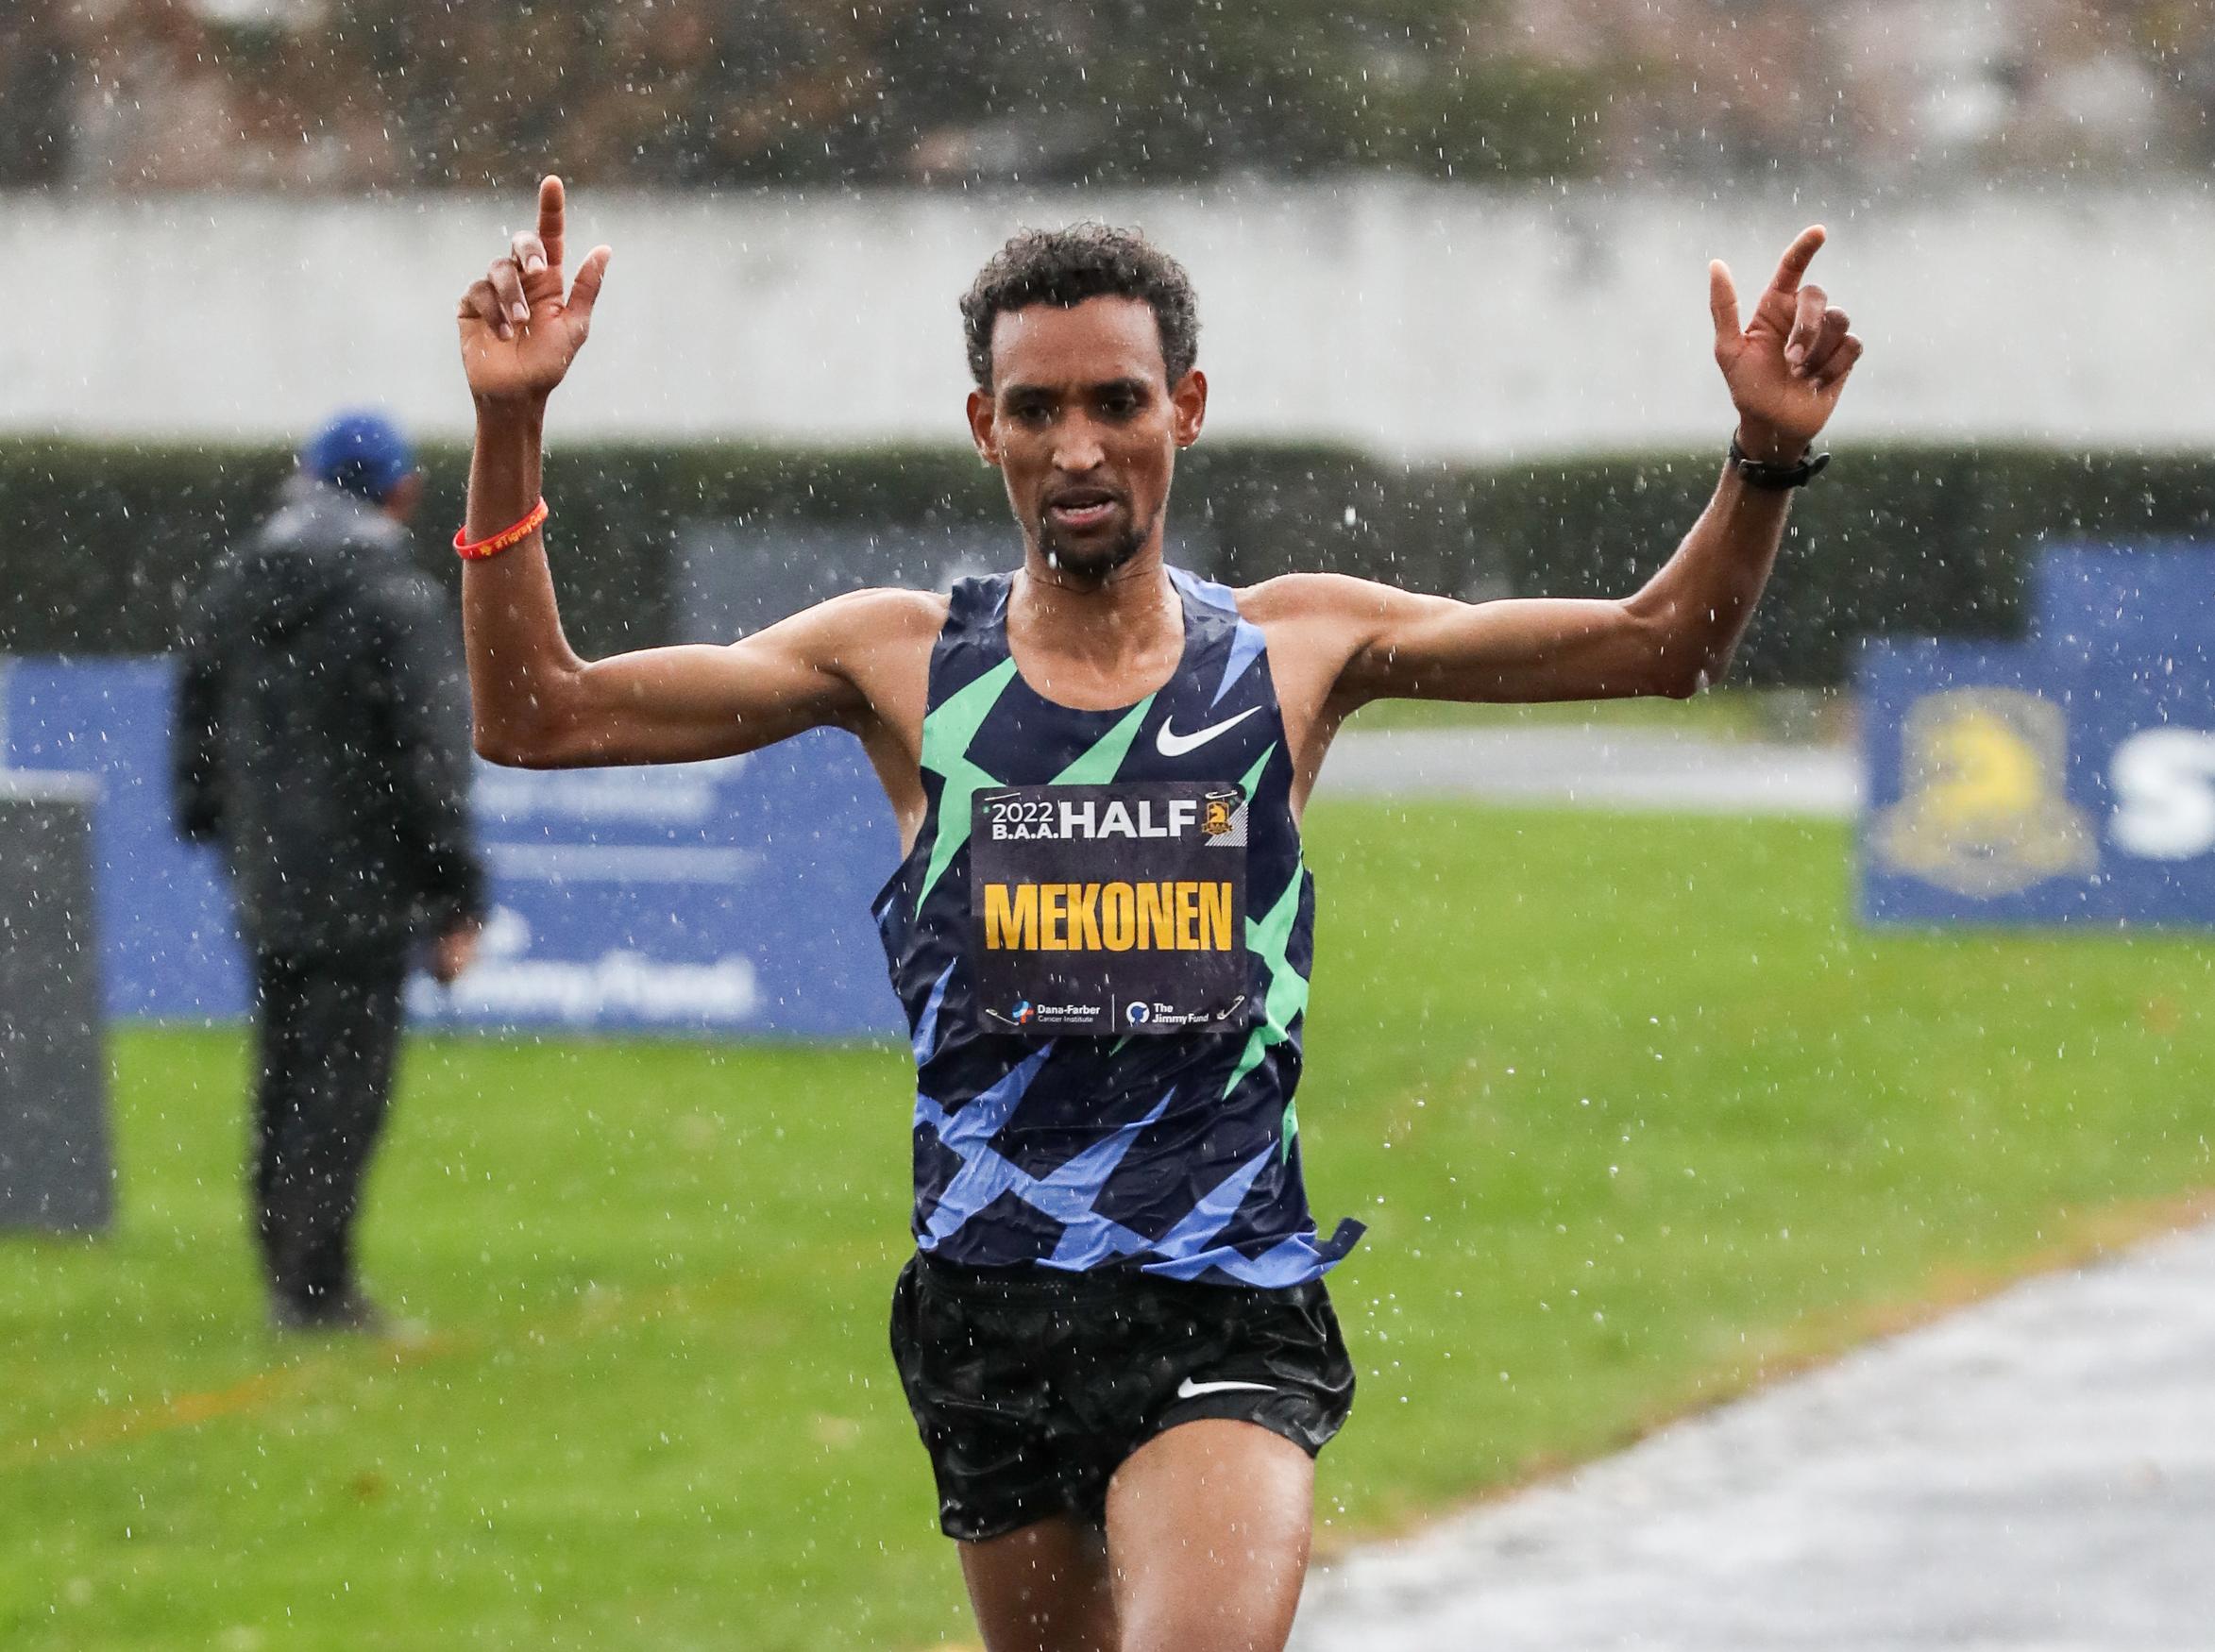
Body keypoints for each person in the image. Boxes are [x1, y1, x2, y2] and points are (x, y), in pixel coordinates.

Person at [452, 177, 1861, 1651]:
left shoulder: (1296, 648)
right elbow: (540, 715)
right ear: (980, 426)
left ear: (1183, 407)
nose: (1077, 446)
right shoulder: (897, 663)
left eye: (1116, 399)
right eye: (1034, 407)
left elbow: (1658, 644)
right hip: (989, 1304)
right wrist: (509, 425)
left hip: (1220, 1290)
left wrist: (1764, 458)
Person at [173, 413, 486, 1333]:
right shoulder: (394, 597)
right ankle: (315, 1289)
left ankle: (286, 1268)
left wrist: (209, 820)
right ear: (397, 492)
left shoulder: (238, 580)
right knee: (343, 1089)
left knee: (283, 1074)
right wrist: (455, 890)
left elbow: (195, 710)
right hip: (366, 884)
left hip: (267, 876)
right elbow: (431, 755)